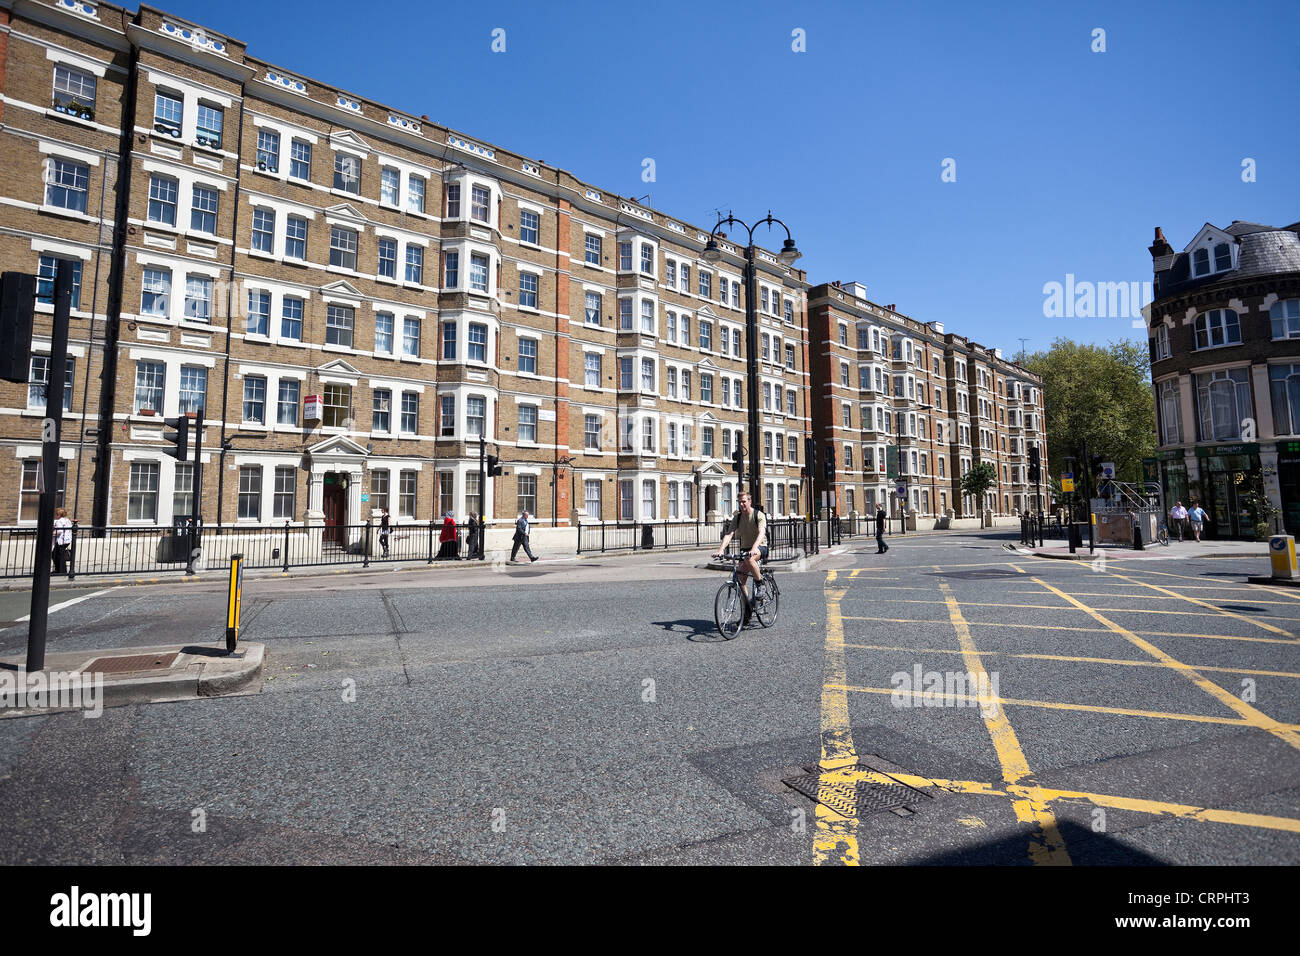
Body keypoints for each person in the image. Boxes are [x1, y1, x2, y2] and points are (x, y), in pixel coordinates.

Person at [713, 491, 769, 624]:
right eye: (740, 502)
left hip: (760, 547)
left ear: (749, 501)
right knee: (740, 581)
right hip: (745, 550)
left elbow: (762, 533)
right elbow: (729, 534)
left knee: (750, 559)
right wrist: (720, 550)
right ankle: (747, 612)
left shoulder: (758, 515)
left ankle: (760, 584)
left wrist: (755, 548)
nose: (742, 504)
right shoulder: (737, 518)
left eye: (744, 501)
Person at [52, 507, 73, 574]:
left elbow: (60, 531)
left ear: (58, 515)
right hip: (67, 540)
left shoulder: (59, 521)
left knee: (56, 555)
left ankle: (60, 571)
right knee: (59, 555)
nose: (55, 515)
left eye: (56, 514)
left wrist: (51, 534)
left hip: (61, 541)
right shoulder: (67, 520)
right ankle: (60, 570)